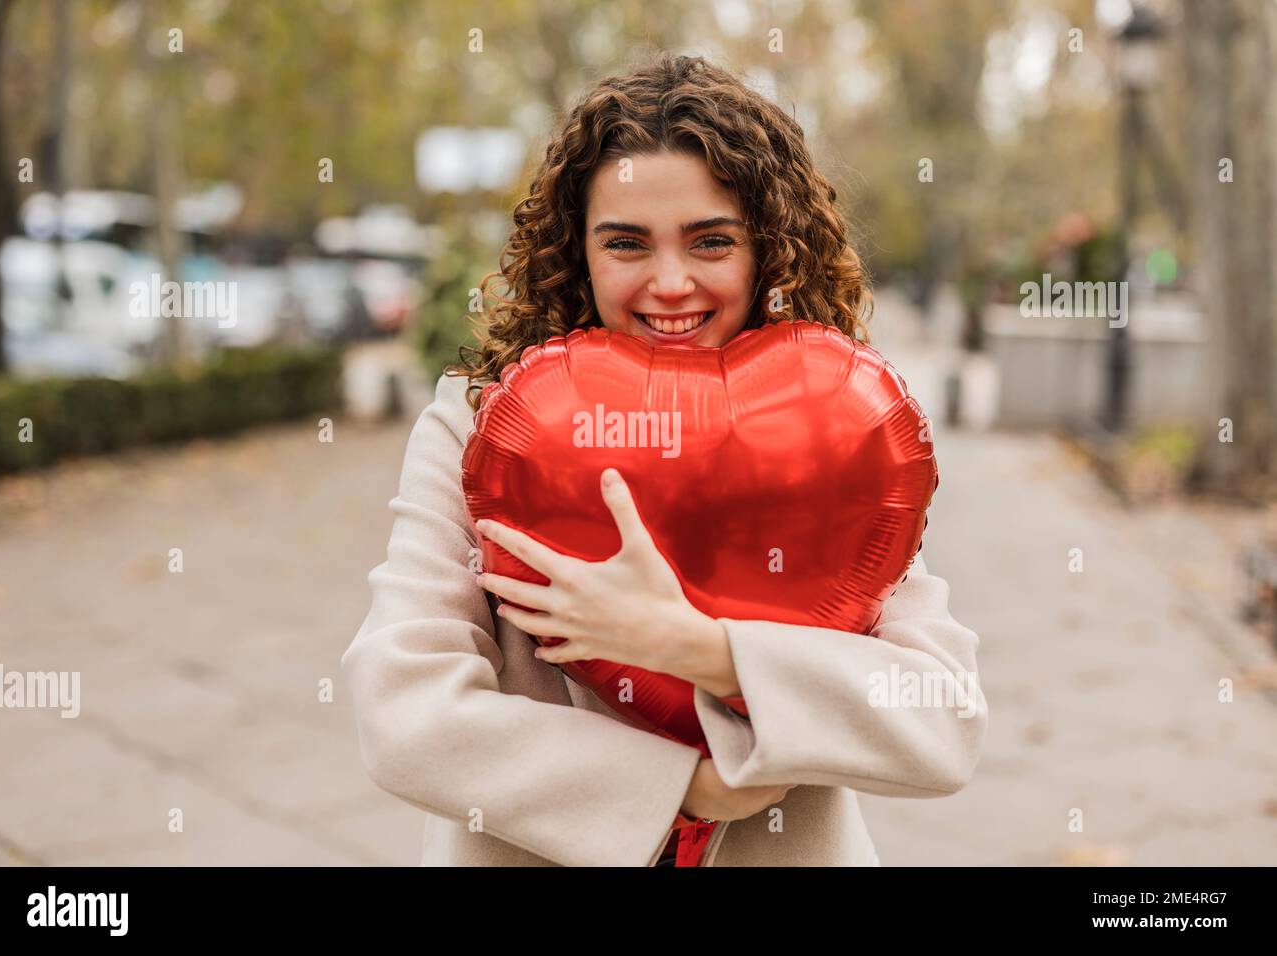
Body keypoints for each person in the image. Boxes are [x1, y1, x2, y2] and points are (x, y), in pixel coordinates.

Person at [340, 52, 988, 867]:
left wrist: (696, 649)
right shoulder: (481, 422)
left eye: (711, 241)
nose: (671, 282)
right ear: (578, 252)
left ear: (768, 252)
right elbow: (401, 710)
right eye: (628, 243)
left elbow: (941, 720)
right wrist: (677, 783)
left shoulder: (834, 430)